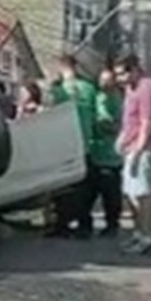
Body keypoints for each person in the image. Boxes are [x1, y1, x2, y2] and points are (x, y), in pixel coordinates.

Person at [47, 54, 99, 239]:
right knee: (83, 188)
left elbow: (49, 117)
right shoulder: (89, 89)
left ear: (61, 68)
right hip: (84, 143)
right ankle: (85, 225)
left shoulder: (58, 91)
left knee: (62, 188)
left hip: (63, 145)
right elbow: (96, 118)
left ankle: (62, 224)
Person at [114, 54, 151, 256]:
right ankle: (138, 232)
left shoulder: (147, 87)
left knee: (142, 194)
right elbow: (130, 120)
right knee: (130, 194)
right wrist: (122, 139)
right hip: (130, 145)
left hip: (144, 148)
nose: (120, 78)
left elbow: (147, 122)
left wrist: (138, 151)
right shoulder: (130, 89)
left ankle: (147, 237)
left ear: (134, 69)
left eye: (123, 73)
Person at [90, 66, 126, 237]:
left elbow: (119, 127)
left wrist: (104, 126)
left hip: (111, 156)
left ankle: (113, 225)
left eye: (107, 80)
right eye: (101, 79)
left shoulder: (116, 100)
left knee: (111, 195)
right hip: (96, 153)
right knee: (90, 192)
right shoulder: (97, 97)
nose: (103, 83)